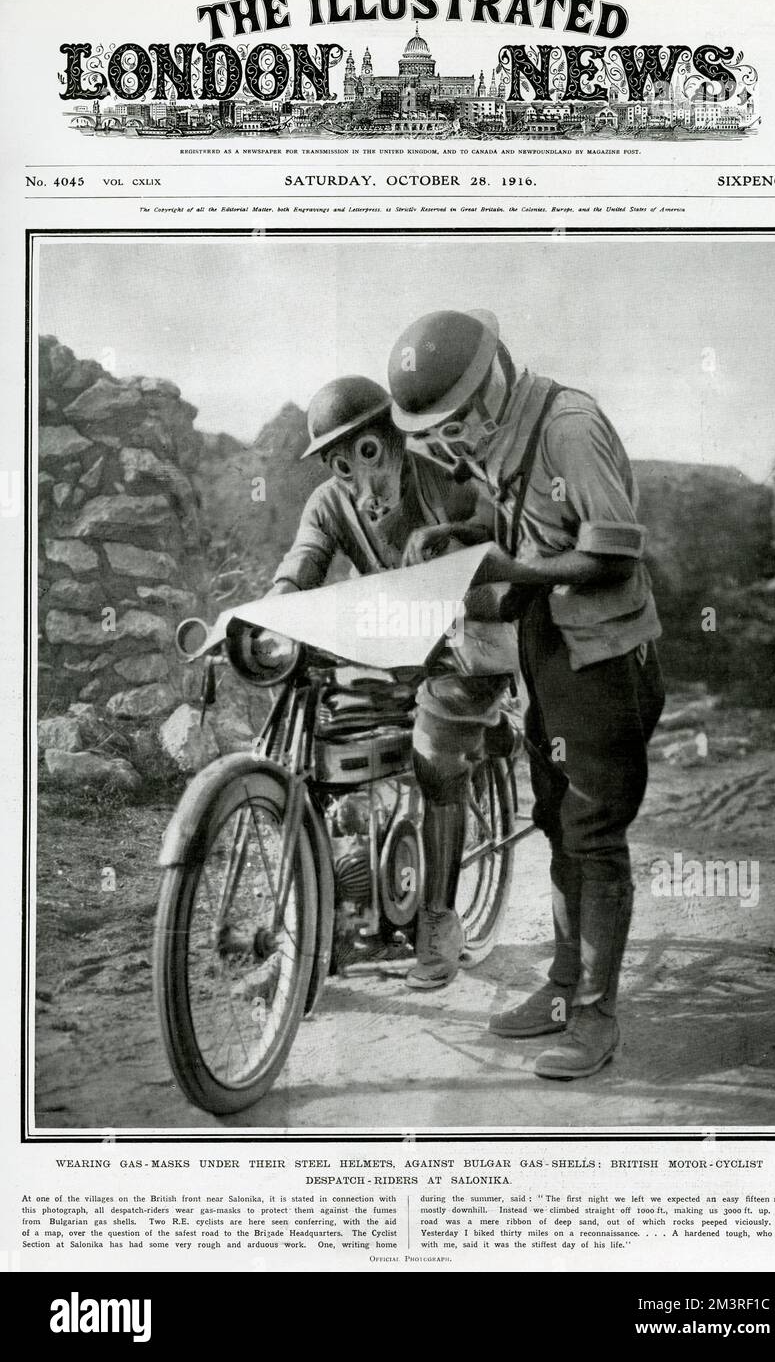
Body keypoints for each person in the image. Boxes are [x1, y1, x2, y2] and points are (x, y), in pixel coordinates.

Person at [387, 310, 665, 1079]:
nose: (452, 446)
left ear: (492, 384)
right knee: (556, 821)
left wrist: (507, 571)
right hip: (547, 644)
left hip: (604, 657)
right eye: (436, 434)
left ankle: (596, 1020)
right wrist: (459, 543)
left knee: (593, 835)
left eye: (454, 426)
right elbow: (513, 522)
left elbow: (613, 556)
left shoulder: (568, 429)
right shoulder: (497, 431)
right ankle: (563, 990)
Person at [260, 374, 517, 990]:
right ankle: (318, 926)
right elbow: (302, 562)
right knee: (308, 751)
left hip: (468, 636)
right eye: (341, 462)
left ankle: (439, 920)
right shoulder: (328, 503)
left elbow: (503, 534)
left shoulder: (445, 478)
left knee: (436, 757)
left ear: (394, 437)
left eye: (368, 451)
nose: (360, 475)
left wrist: (453, 543)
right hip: (394, 642)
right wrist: (273, 610)